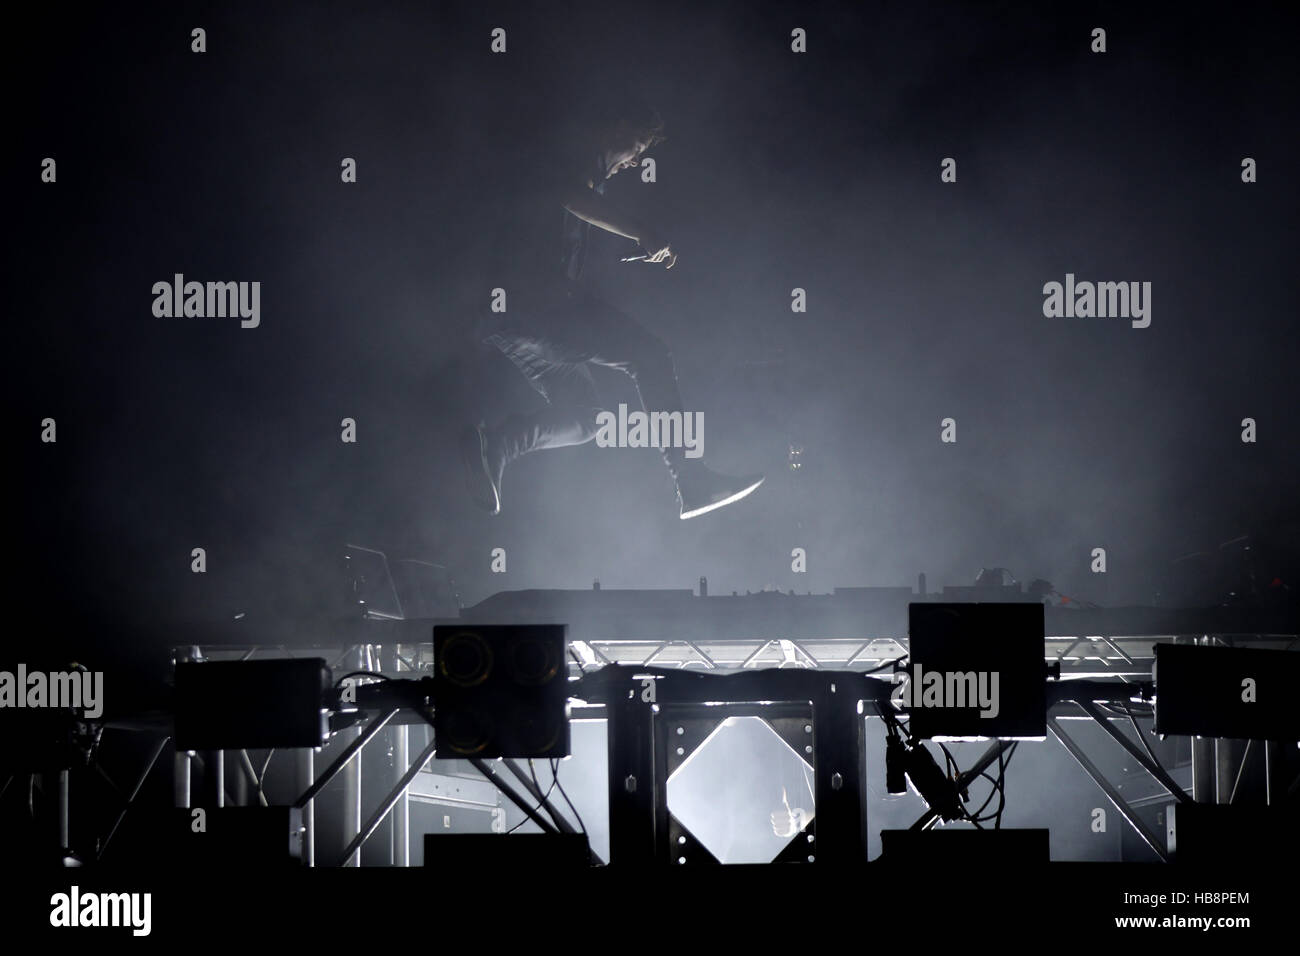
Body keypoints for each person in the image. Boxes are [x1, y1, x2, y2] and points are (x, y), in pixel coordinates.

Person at [459, 95, 764, 519]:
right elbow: (568, 195)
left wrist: (635, 246)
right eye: (637, 146)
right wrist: (640, 232)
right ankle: (690, 480)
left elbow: (554, 226)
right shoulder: (564, 155)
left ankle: (499, 444)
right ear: (614, 125)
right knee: (649, 355)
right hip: (531, 306)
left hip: (512, 319)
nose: (636, 161)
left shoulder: (584, 180)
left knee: (585, 418)